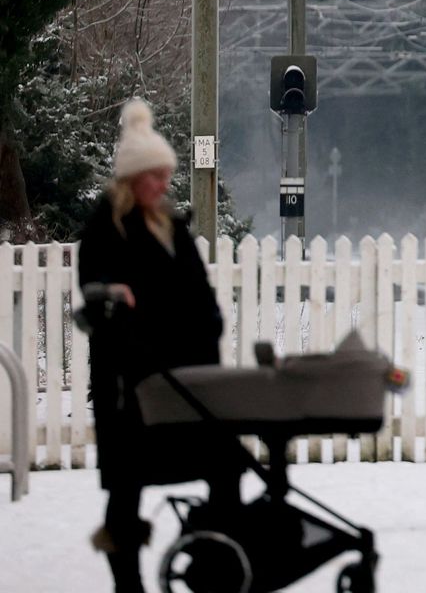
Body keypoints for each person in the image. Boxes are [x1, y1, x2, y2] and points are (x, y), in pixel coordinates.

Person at [78, 100, 230, 593]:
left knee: (223, 466)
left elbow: (201, 294)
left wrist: (209, 327)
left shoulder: (172, 228)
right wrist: (111, 295)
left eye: (167, 176)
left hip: (187, 380)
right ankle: (129, 585)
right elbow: (94, 290)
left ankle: (211, 556)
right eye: (156, 177)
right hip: (132, 383)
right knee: (127, 486)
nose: (165, 185)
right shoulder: (106, 229)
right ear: (132, 179)